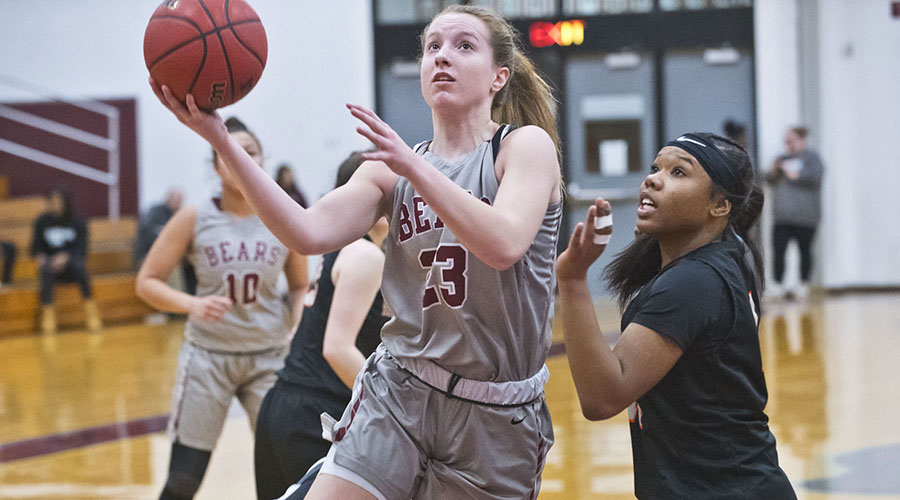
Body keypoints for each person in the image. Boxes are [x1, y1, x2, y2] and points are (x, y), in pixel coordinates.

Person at [150, 4, 562, 499]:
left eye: (463, 46)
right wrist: (218, 137)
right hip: (401, 391)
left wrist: (414, 168)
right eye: (433, 46)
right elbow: (305, 231)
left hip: (495, 412)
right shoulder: (390, 170)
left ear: (500, 76)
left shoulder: (523, 148)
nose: (442, 57)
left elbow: (504, 244)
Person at [557, 133, 796, 499]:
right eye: (656, 168)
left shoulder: (693, 282)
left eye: (679, 173)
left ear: (719, 206)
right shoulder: (723, 259)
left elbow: (602, 397)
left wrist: (572, 281)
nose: (653, 179)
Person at [135, 117, 308, 500]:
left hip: (269, 358)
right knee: (182, 481)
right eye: (229, 152)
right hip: (208, 358)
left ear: (262, 160)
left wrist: (297, 324)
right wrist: (192, 304)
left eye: (250, 152)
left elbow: (298, 287)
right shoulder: (196, 215)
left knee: (283, 477)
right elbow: (146, 281)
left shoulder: (283, 214)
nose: (241, 159)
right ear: (215, 165)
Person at [255, 151, 390, 500]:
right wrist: (394, 407)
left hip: (281, 405)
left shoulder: (340, 249)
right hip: (314, 415)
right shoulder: (366, 255)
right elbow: (337, 348)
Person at [30, 187, 101, 334]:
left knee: (82, 270)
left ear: (66, 202)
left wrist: (66, 256)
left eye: (58, 201)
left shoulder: (78, 221)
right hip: (50, 265)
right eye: (53, 201)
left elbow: (82, 249)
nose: (55, 204)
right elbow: (35, 247)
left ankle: (91, 314)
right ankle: (48, 317)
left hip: (71, 265)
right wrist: (41, 255)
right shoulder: (41, 221)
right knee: (45, 270)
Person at [766, 125, 824, 300]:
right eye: (786, 141)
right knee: (778, 251)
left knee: (805, 251)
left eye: (792, 140)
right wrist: (774, 169)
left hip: (806, 217)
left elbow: (814, 177)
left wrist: (795, 174)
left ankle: (803, 284)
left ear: (802, 140)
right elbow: (769, 180)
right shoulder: (780, 160)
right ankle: (777, 285)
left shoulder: (812, 159)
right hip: (782, 217)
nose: (788, 144)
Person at [134, 187, 197, 295]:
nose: (178, 202)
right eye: (176, 199)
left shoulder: (179, 214)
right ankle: (177, 306)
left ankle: (190, 298)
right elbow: (157, 238)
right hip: (147, 255)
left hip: (172, 257)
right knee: (173, 269)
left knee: (193, 265)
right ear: (167, 199)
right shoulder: (156, 212)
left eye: (180, 200)